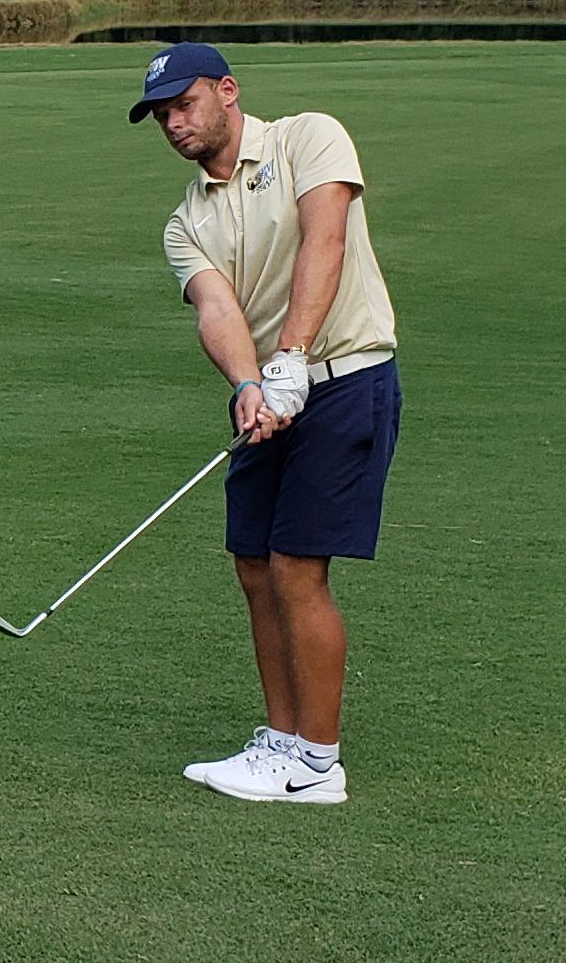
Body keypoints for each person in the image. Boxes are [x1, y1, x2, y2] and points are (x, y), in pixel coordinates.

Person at [128, 43, 401, 805]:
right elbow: (217, 310)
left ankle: (317, 764)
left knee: (295, 567)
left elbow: (328, 241)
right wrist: (250, 382)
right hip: (270, 397)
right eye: (161, 115)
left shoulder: (309, 137)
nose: (174, 124)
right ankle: (281, 741)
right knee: (254, 563)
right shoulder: (187, 222)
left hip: (345, 379)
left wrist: (291, 360)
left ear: (227, 91)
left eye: (185, 105)